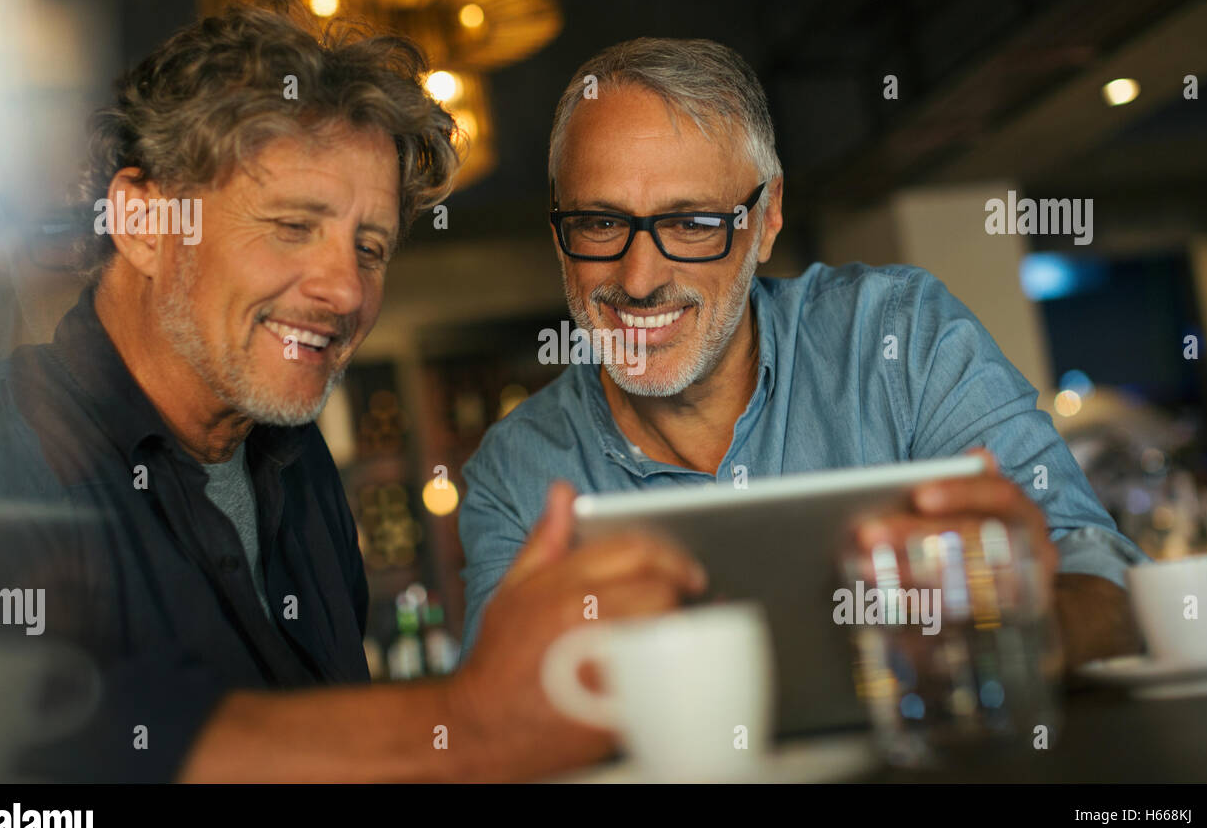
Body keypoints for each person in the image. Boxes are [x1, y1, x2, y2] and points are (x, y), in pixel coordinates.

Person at [0, 4, 705, 782]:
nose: (345, 290)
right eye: (293, 226)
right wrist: (470, 720)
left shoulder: (294, 459)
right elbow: (28, 754)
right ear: (142, 220)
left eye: (369, 248)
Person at [460, 37, 1147, 665]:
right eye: (601, 222)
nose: (638, 281)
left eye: (694, 223)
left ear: (767, 219)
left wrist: (1019, 627)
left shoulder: (902, 339)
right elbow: (495, 714)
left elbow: (1103, 576)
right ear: (559, 232)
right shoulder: (517, 473)